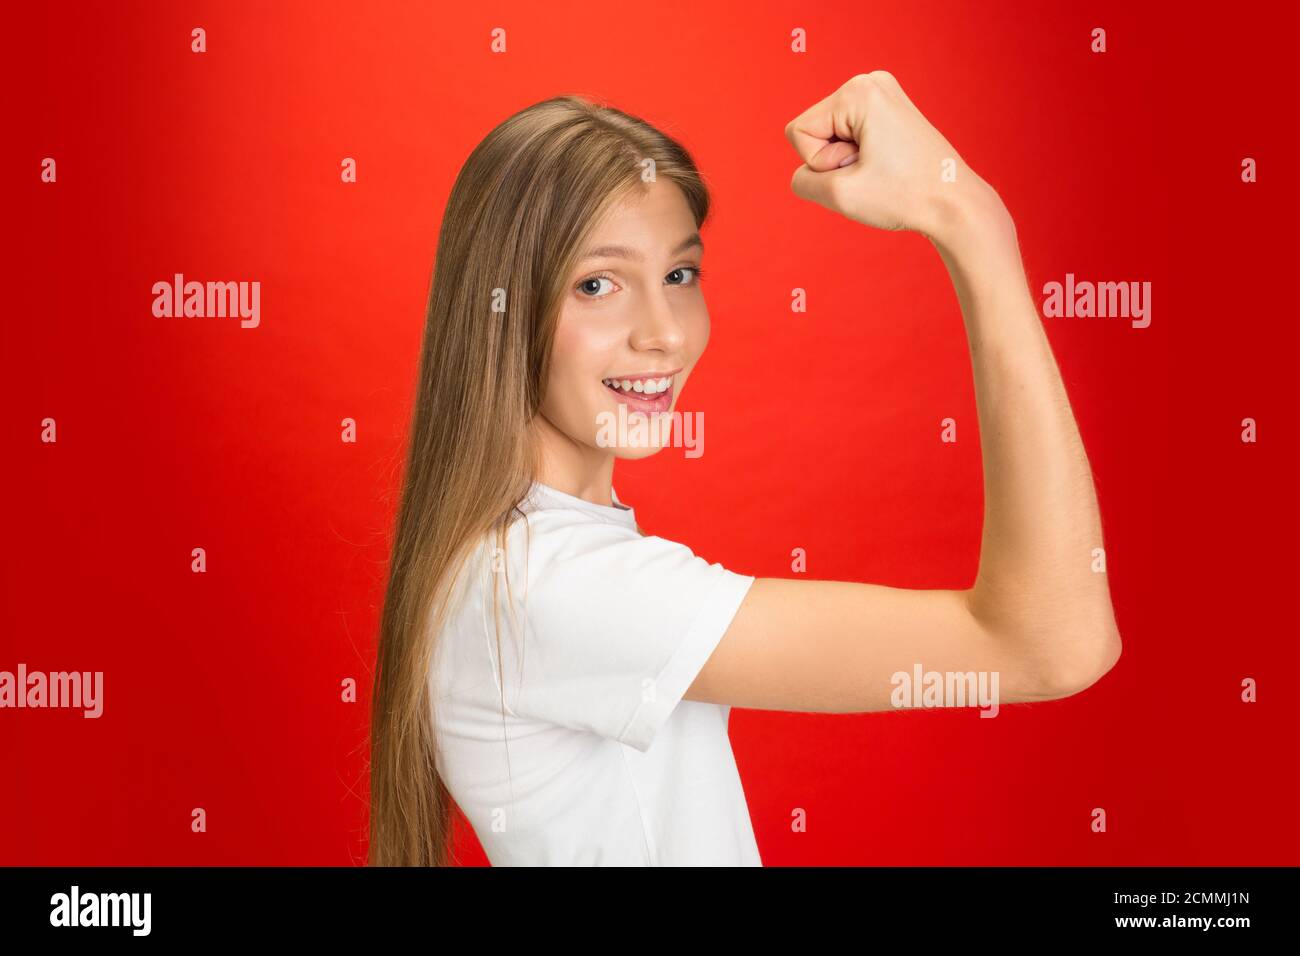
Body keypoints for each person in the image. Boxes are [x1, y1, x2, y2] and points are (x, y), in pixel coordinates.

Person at [368, 72, 1123, 866]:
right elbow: (1051, 646)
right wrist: (972, 222)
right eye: (597, 284)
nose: (662, 333)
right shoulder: (550, 584)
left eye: (679, 275)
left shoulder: (526, 560)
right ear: (500, 308)